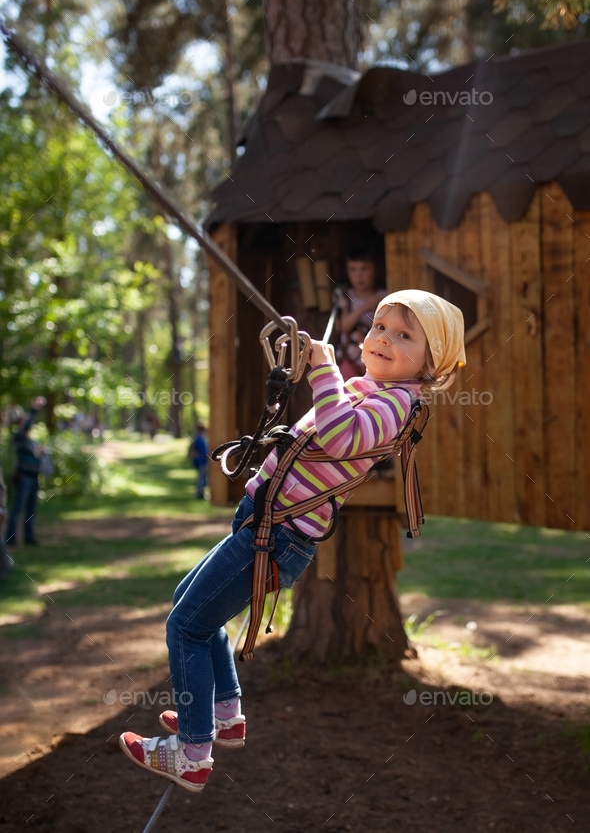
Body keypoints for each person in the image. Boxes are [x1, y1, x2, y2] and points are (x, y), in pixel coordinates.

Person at [119, 290, 466, 793]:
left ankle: (192, 754)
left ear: (431, 363)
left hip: (278, 535)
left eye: (404, 335)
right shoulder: (370, 389)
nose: (383, 338)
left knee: (186, 627)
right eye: (379, 326)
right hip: (264, 524)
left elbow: (341, 437)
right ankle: (224, 713)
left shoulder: (395, 404)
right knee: (191, 610)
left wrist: (324, 371)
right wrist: (328, 373)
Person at [336, 248, 388, 381]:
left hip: (378, 360)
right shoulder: (346, 297)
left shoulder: (384, 297)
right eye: (353, 270)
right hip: (350, 359)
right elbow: (342, 326)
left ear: (376, 270)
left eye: (364, 269)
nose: (359, 275)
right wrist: (364, 308)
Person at [5, 396, 46, 547]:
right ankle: (11, 538)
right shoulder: (19, 436)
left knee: (31, 509)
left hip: (34, 476)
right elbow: (26, 424)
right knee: (17, 509)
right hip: (24, 477)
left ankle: (29, 537)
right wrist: (34, 409)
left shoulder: (28, 439)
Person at [189, 425, 208, 500]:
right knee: (201, 478)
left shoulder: (197, 437)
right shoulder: (200, 439)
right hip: (201, 461)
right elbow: (204, 451)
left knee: (202, 477)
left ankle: (201, 493)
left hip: (199, 461)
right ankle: (199, 494)